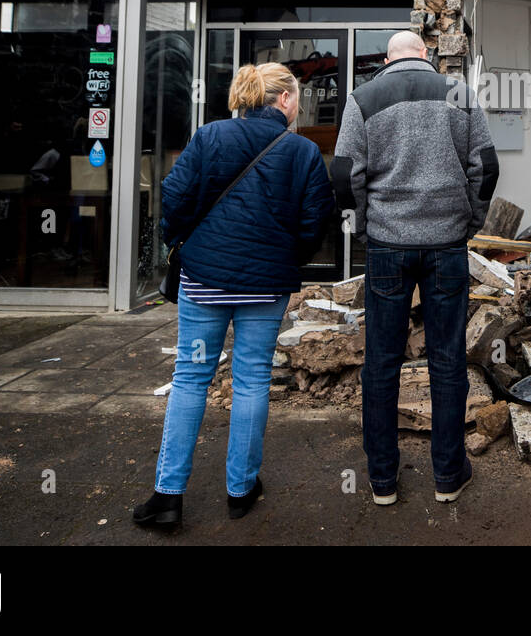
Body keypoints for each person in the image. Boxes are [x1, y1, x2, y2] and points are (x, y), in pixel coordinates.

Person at [133, 62, 335, 529]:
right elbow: (314, 222)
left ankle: (167, 498)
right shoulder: (302, 151)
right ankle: (240, 490)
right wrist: (287, 255)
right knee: (250, 381)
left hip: (204, 279)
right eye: (296, 98)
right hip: (265, 287)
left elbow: (174, 197)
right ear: (282, 100)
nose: (297, 106)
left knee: (189, 379)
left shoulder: (209, 136)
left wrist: (183, 242)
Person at [331, 30, 498, 505]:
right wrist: (470, 220)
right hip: (446, 244)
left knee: (382, 363)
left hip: (387, 245)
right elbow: (485, 165)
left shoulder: (362, 98)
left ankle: (383, 481)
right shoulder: (460, 94)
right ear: (426, 54)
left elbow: (344, 175)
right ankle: (448, 476)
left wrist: (364, 228)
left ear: (387, 59)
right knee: (447, 359)